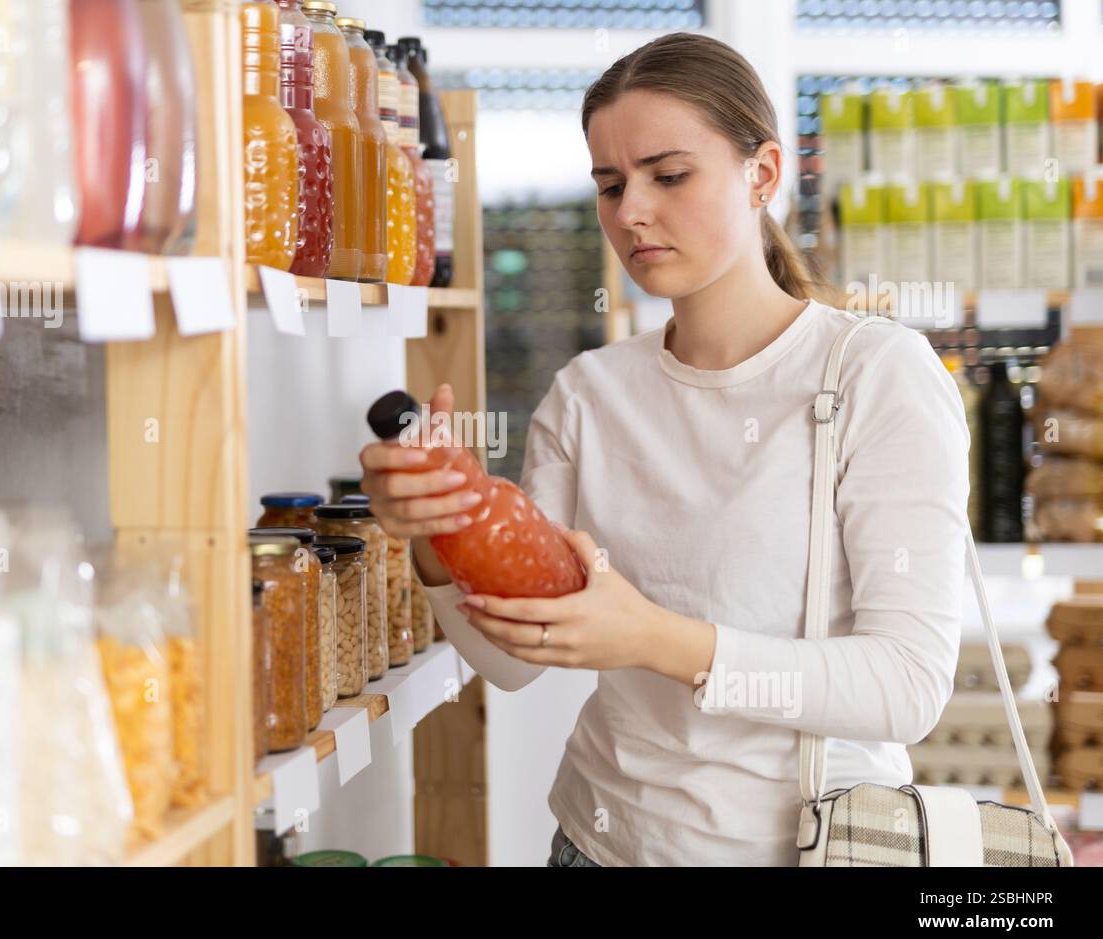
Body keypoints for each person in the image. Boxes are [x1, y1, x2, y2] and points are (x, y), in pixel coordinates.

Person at [357, 32, 969, 867]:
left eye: (668, 175)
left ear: (762, 174)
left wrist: (652, 640)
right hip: (598, 845)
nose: (631, 211)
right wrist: (432, 532)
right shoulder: (589, 395)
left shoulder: (874, 374)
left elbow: (906, 687)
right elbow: (510, 660)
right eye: (611, 185)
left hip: (802, 852)